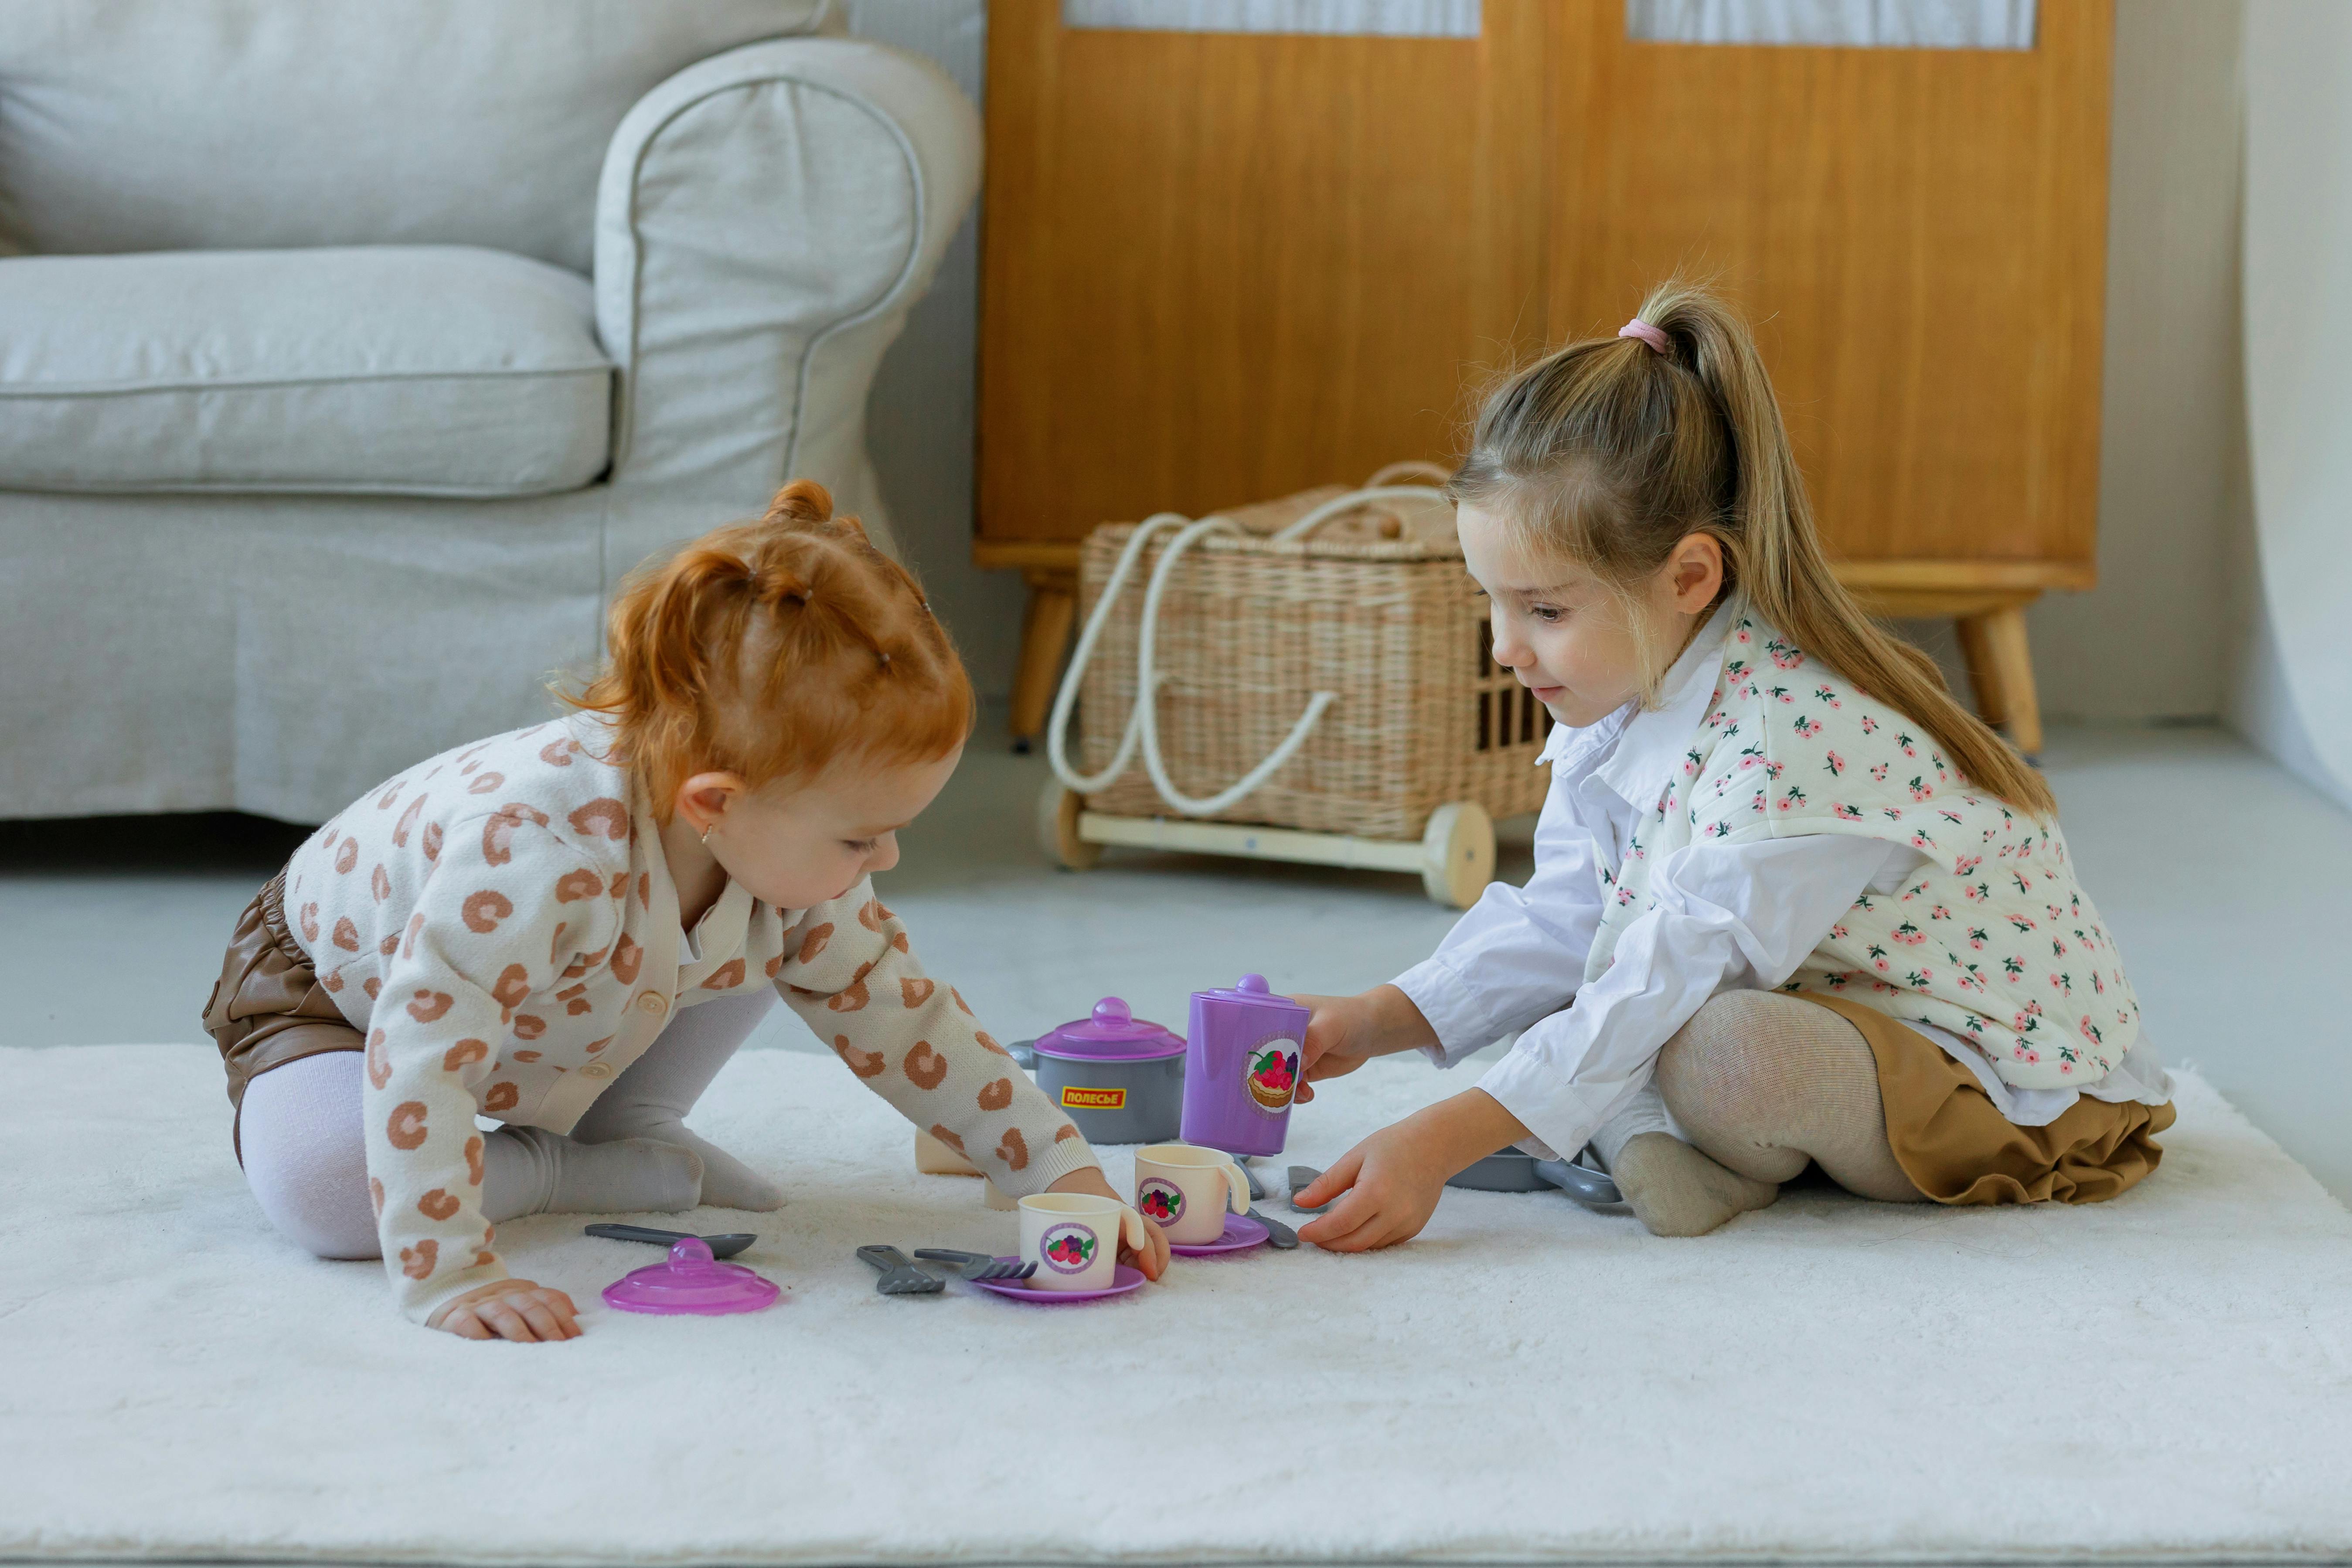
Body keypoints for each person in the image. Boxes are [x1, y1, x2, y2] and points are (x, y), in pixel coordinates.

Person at [1290, 282, 2174, 1251]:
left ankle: (1672, 1136)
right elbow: (1569, 914)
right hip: (1832, 1009)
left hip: (2005, 1077)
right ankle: (1666, 1146)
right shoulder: (1615, 693)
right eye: (1492, 605)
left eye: (1544, 611)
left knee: (1712, 1048)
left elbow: (1676, 967)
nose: (1507, 647)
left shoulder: (1787, 737)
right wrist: (1384, 1015)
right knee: (1590, 996)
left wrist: (1446, 1135)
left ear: (1688, 578)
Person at [202, 480, 1168, 1337]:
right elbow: (423, 1050)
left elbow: (908, 1019)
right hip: (337, 991)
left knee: (812, 929)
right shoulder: (538, 852)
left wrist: (1060, 1175)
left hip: (578, 976)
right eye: (860, 835)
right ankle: (584, 1170)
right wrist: (450, 1268)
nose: (888, 856)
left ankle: (637, 1124)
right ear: (715, 800)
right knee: (329, 1192)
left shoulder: (765, 837)